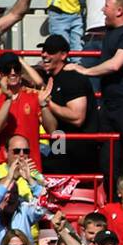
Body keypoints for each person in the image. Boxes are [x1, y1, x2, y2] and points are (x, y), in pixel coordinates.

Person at [61, 0, 123, 181]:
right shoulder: (112, 30)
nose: (103, 9)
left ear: (119, 11)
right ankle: (110, 205)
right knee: (108, 161)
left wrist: (85, 71)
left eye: (107, 6)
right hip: (109, 106)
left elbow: (115, 64)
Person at [32, 34, 99, 175]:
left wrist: (49, 102)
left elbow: (77, 118)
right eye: (43, 51)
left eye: (50, 51)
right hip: (60, 141)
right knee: (46, 167)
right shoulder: (52, 79)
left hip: (81, 147)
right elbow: (53, 129)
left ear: (63, 55)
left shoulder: (73, 78)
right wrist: (44, 105)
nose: (44, 55)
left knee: (55, 169)